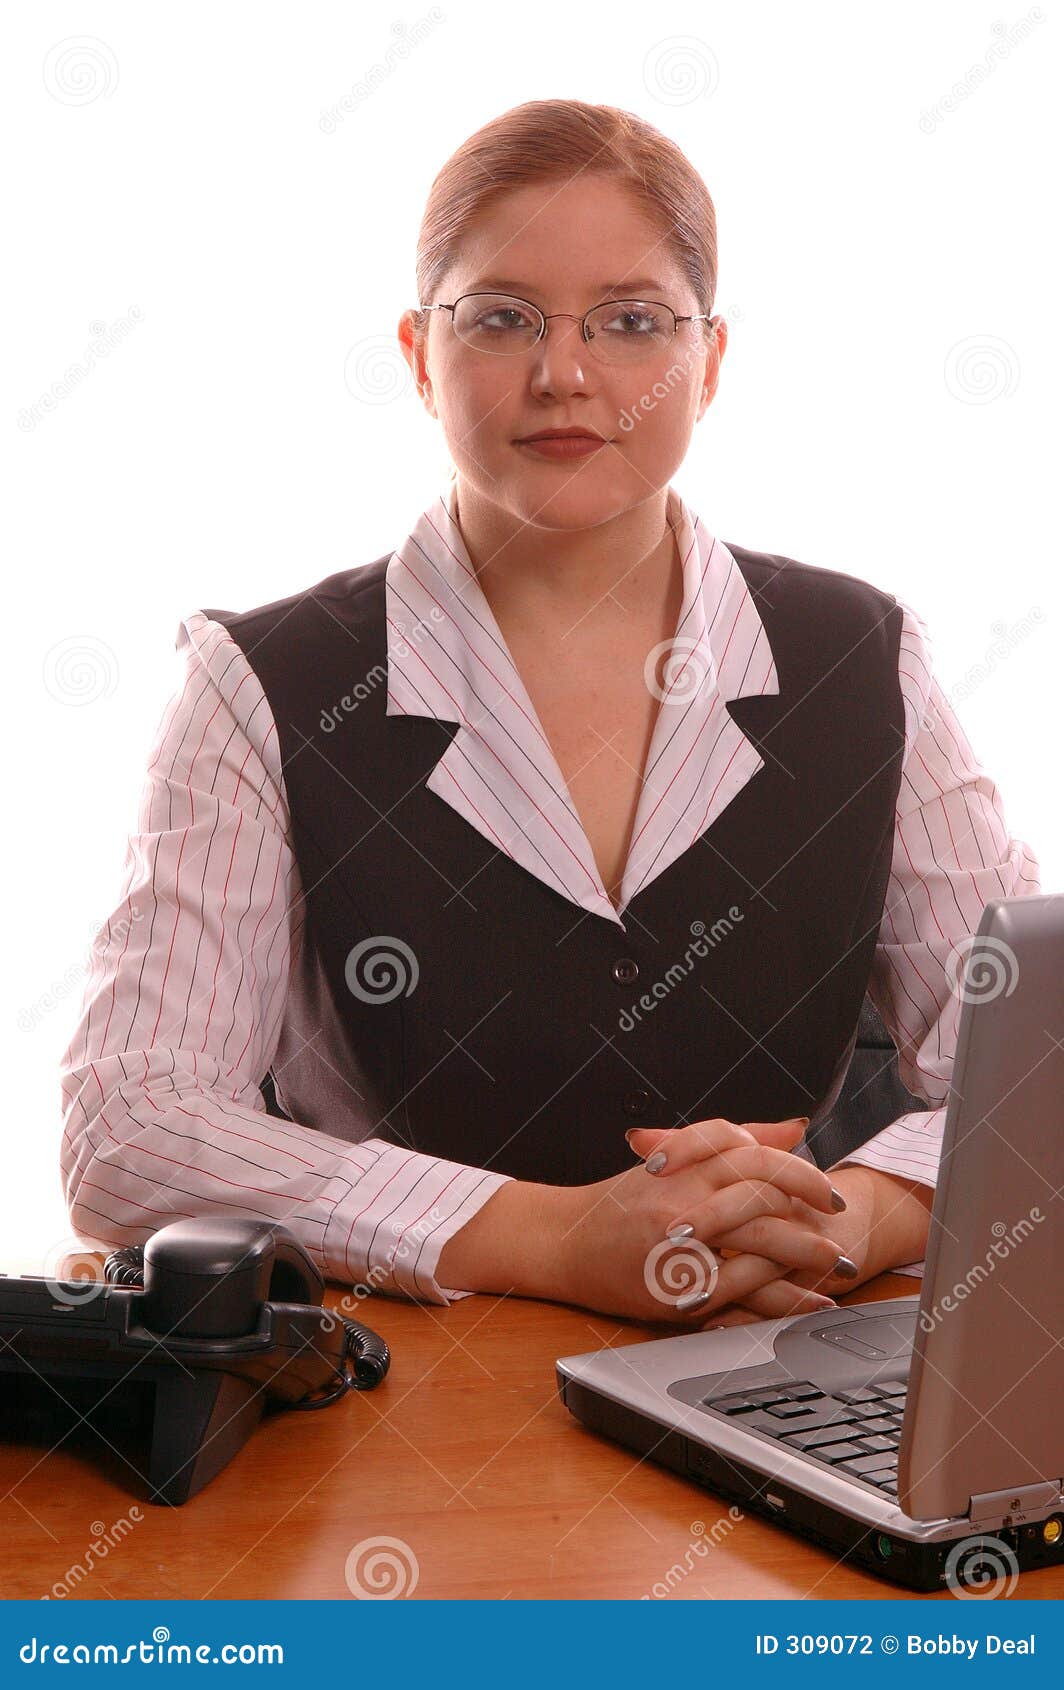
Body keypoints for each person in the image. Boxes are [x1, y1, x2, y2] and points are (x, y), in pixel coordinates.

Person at [59, 99, 1040, 1330]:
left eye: (629, 321)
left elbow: (1032, 1062)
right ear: (419, 355)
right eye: (501, 318)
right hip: (405, 1387)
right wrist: (559, 1237)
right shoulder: (263, 681)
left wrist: (843, 1219)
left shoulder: (860, 655)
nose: (564, 375)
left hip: (766, 1357)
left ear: (708, 362)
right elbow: (127, 1130)